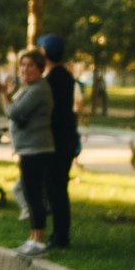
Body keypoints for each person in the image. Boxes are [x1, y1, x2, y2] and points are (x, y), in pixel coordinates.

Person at [1, 46, 54, 257]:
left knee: (33, 195)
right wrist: (9, 93)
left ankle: (39, 240)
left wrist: (4, 95)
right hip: (28, 149)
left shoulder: (39, 89)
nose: (25, 69)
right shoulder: (29, 88)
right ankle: (33, 237)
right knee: (30, 194)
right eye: (22, 65)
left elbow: (15, 112)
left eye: (30, 65)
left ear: (40, 68)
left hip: (37, 150)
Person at [38, 33, 79, 250]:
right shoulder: (64, 75)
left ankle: (60, 236)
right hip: (65, 140)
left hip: (57, 142)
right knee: (57, 188)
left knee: (56, 190)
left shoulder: (52, 79)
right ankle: (59, 233)